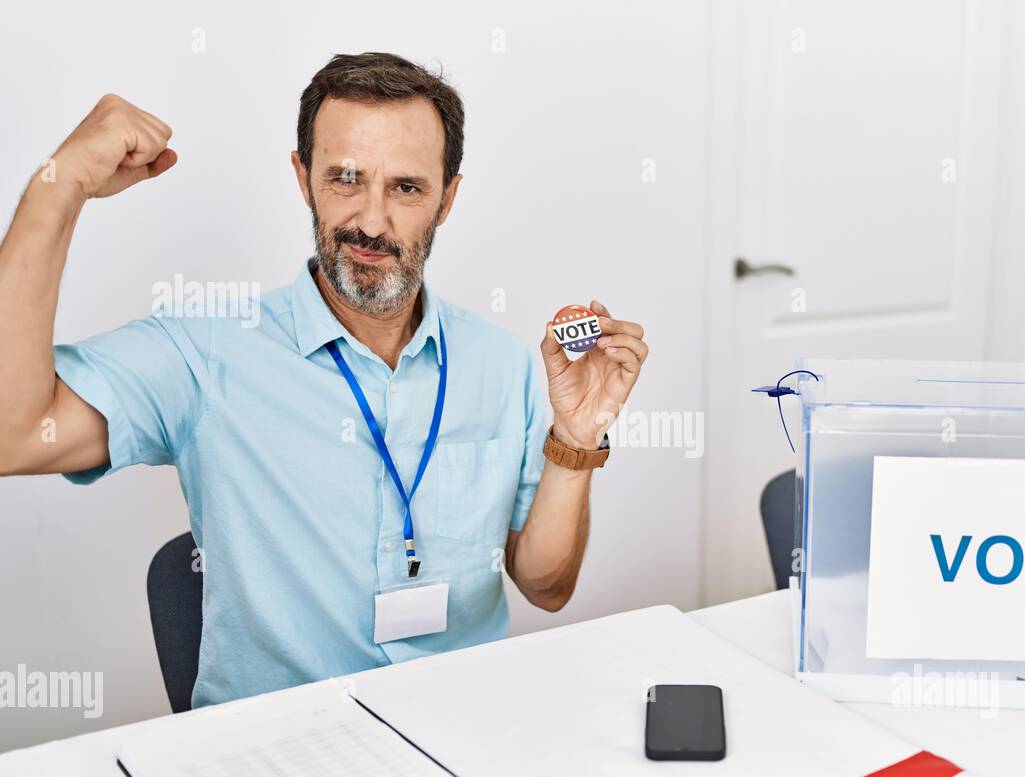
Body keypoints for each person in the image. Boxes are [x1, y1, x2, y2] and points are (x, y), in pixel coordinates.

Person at [0, 52, 648, 707]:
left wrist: (575, 437)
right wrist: (60, 185)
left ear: (447, 199)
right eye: (344, 178)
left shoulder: (501, 363)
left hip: (465, 732)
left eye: (406, 188)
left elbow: (546, 587)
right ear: (303, 177)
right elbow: (13, 435)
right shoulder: (206, 351)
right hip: (280, 759)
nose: (371, 221)